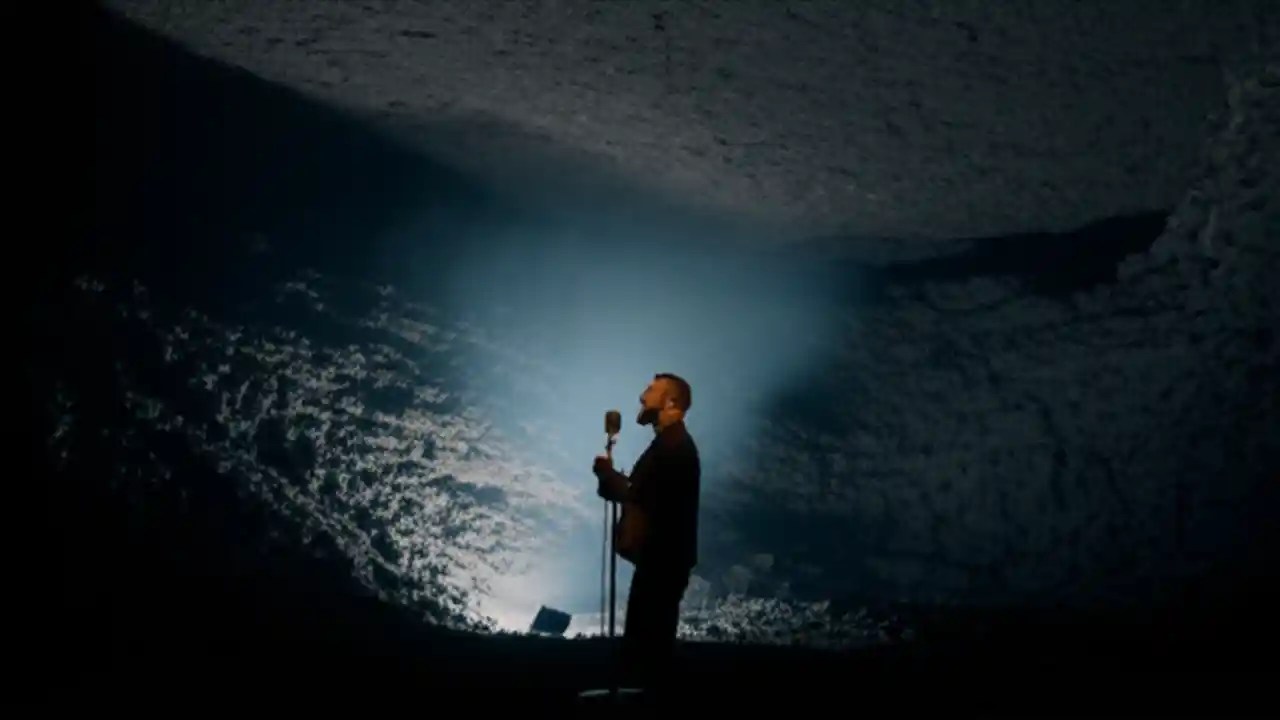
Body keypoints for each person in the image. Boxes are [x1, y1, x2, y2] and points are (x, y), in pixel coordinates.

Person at [593, 372, 700, 693]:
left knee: (649, 649)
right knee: (648, 646)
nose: (642, 396)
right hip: (661, 561)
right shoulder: (669, 444)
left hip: (662, 562)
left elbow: (649, 498)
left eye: (652, 390)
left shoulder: (675, 447)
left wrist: (612, 480)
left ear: (671, 402)